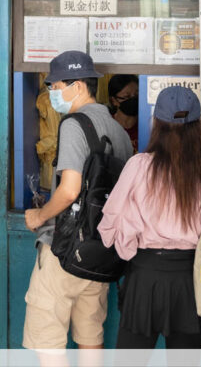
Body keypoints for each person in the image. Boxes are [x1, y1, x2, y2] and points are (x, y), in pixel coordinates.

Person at [98, 86, 201, 350]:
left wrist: (130, 243)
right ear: (198, 125)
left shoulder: (138, 167)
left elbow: (108, 226)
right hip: (194, 278)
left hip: (144, 277)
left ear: (156, 123)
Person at [22, 51, 133, 351]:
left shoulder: (74, 124)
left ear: (80, 86)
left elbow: (70, 190)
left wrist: (40, 215)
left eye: (55, 88)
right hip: (100, 252)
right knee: (90, 335)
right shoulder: (119, 132)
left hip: (67, 250)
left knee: (48, 339)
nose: (53, 95)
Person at [106, 74, 140, 151]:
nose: (133, 99)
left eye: (137, 95)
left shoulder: (147, 126)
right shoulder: (106, 126)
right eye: (127, 97)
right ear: (113, 100)